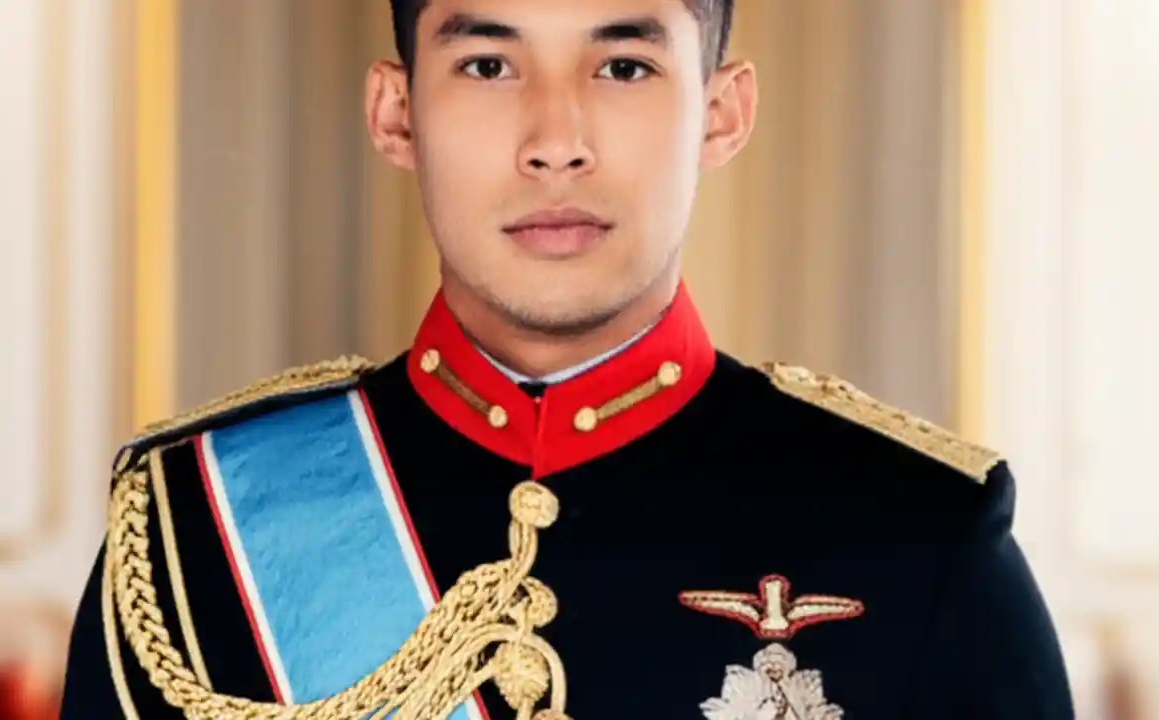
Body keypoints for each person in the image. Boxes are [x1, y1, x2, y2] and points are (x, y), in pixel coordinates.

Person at [60, 0, 1074, 718]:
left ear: (719, 113)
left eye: (622, 64)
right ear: (395, 110)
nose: (555, 140)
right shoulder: (195, 530)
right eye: (487, 64)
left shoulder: (919, 533)